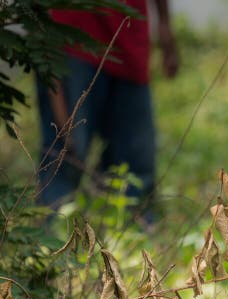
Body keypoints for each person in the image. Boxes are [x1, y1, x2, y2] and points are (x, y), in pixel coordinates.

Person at [36, 0, 179, 221]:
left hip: (130, 43)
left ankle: (137, 236)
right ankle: (54, 238)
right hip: (68, 38)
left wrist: (165, 25)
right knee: (65, 155)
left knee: (135, 166)